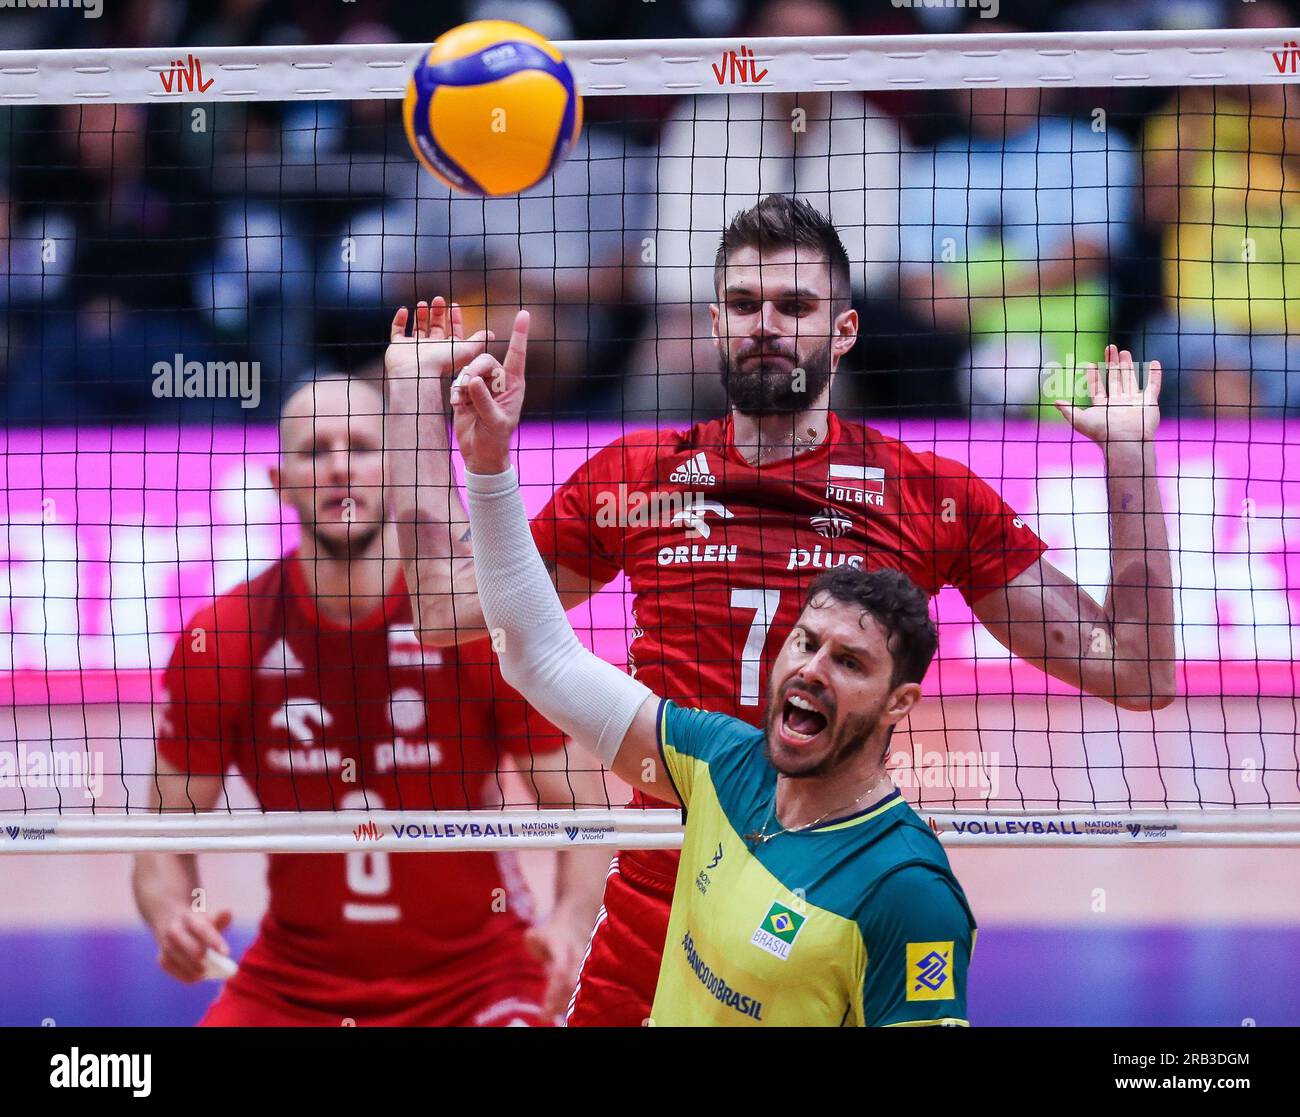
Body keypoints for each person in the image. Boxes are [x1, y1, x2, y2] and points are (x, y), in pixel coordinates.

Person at [386, 194, 1175, 1026]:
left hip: (823, 896)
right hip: (663, 891)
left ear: (844, 330)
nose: (765, 324)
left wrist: (1129, 453)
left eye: (795, 305)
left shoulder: (927, 495)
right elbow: (443, 605)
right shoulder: (637, 477)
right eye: (742, 303)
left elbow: (1137, 668)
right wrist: (412, 397)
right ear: (714, 323)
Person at [132, 374, 607, 1027]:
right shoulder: (224, 638)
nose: (339, 467)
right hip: (292, 988)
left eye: (360, 446)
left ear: (399, 468)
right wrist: (172, 917)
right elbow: (161, 836)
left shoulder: (475, 624)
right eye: (315, 450)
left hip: (482, 977)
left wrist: (571, 923)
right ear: (279, 482)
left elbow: (582, 808)